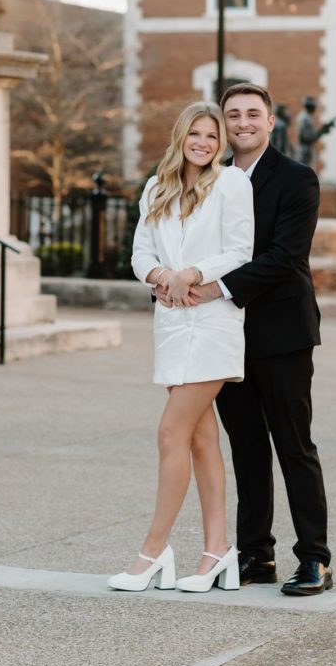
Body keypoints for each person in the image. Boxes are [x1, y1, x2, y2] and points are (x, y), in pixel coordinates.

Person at [183, 82, 332, 596]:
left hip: (282, 333)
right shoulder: (208, 182)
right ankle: (255, 555)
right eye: (233, 115)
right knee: (246, 448)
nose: (242, 122)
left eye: (253, 114)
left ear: (271, 122)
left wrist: (213, 288)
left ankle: (315, 558)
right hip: (225, 334)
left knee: (294, 446)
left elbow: (285, 257)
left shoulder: (296, 180)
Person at [108, 102, 254, 595]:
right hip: (171, 320)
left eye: (212, 136)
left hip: (212, 321)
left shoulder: (232, 183)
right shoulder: (158, 186)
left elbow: (239, 250)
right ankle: (218, 552)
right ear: (180, 137)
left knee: (171, 431)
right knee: (199, 439)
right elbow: (139, 253)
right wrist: (160, 276)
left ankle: (153, 550)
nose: (204, 142)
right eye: (195, 133)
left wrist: (191, 273)